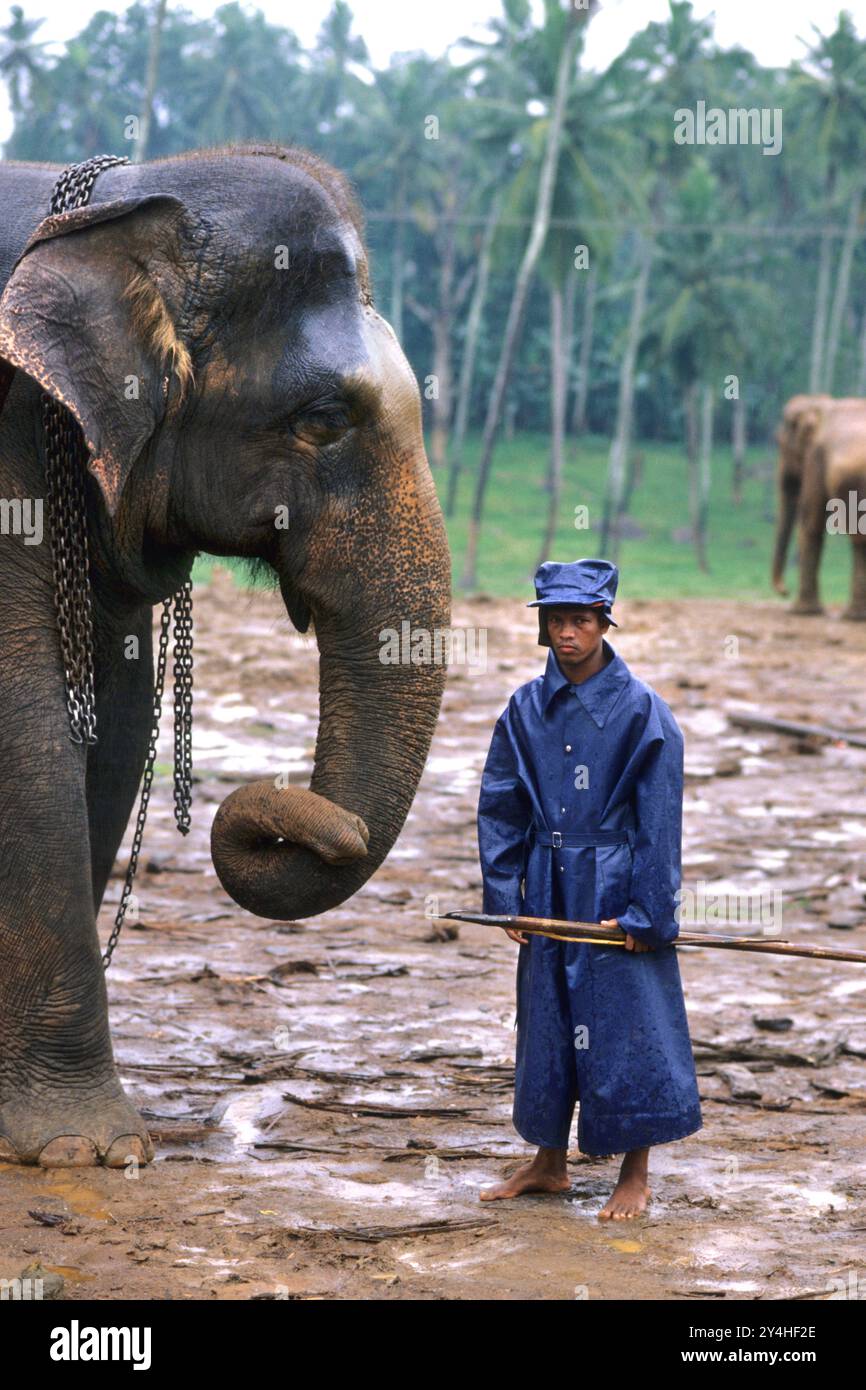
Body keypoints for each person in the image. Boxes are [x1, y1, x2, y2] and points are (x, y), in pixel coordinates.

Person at [476, 558, 702, 1220]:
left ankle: (636, 1171)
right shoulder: (523, 709)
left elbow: (660, 824)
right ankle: (549, 1164)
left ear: (604, 623)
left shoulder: (643, 714)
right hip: (547, 886)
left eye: (581, 619)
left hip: (615, 890)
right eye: (556, 620)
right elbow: (501, 801)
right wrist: (505, 896)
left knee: (626, 1021)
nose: (568, 633)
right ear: (542, 627)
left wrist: (648, 914)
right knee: (546, 1017)